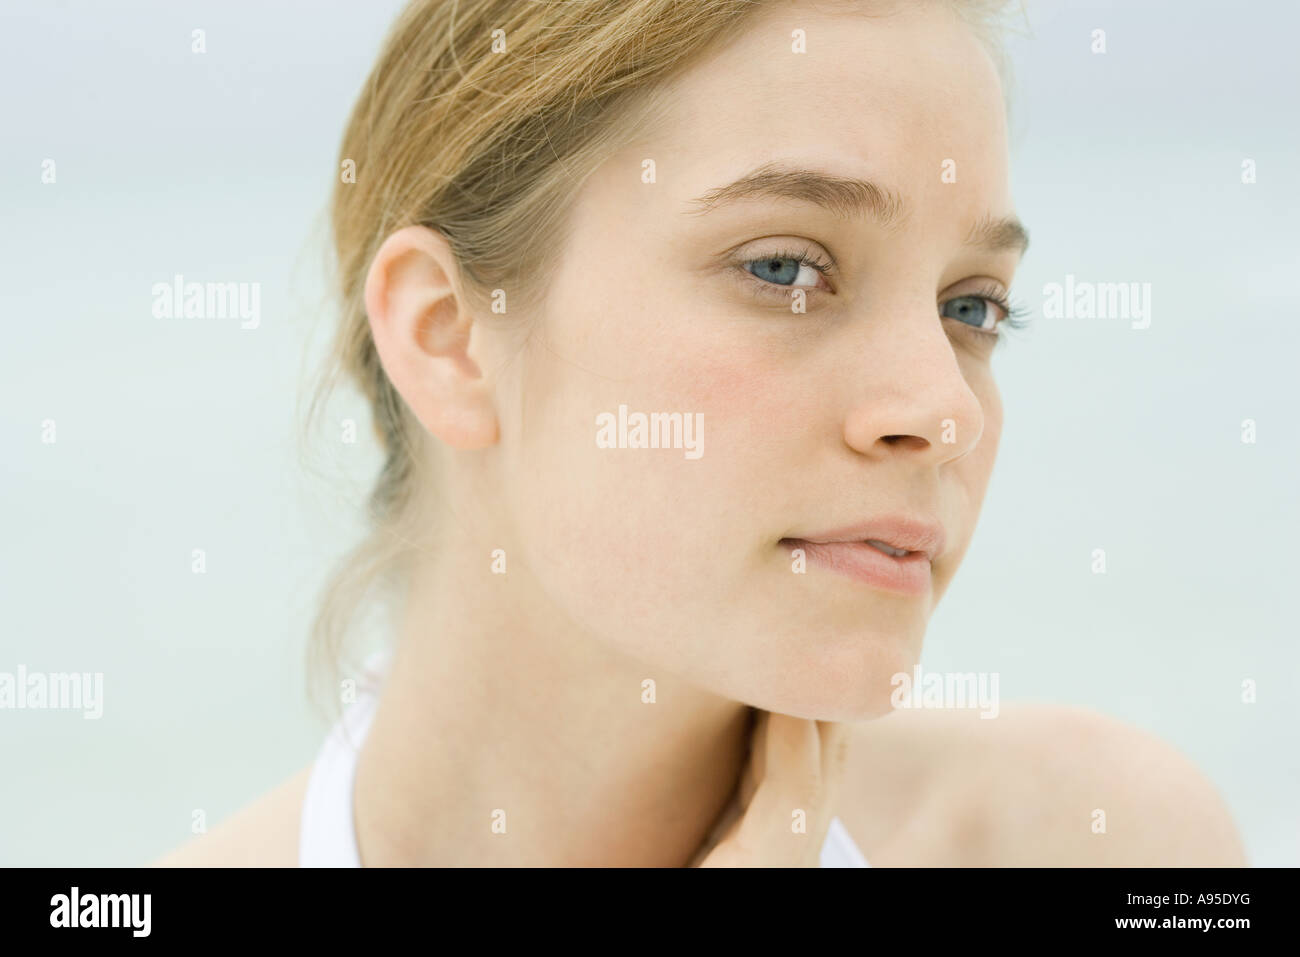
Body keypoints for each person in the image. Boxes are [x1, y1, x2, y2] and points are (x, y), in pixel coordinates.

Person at [155, 0, 1245, 867]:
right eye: (784, 268)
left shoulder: (1108, 848)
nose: (942, 407)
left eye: (971, 308)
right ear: (448, 338)